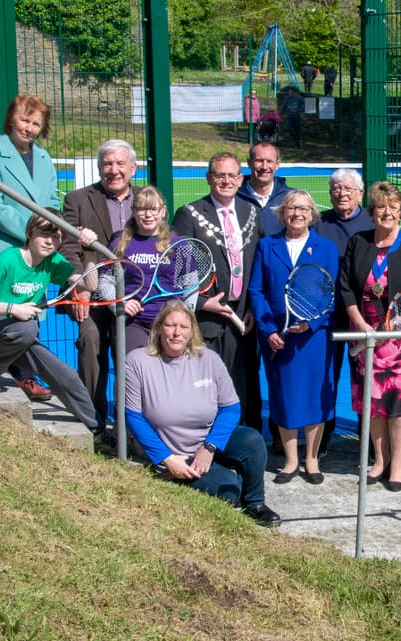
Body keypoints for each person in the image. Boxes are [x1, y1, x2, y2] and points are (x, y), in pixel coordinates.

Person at [125, 301, 282, 527]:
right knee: (229, 492)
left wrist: (209, 447)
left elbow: (230, 407)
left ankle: (255, 503)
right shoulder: (138, 361)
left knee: (252, 440)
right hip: (176, 454)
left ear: (192, 332)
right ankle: (197, 479)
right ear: (159, 328)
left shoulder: (208, 359)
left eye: (183, 327)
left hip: (205, 442)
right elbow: (133, 416)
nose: (176, 333)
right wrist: (166, 459)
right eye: (170, 325)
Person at [0, 213, 100, 435]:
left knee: (66, 376)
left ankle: (95, 429)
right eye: (44, 234)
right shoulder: (8, 259)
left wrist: (89, 250)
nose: (49, 242)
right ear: (29, 233)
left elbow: (90, 285)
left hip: (16, 335)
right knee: (29, 327)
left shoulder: (52, 262)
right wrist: (13, 309)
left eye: (56, 237)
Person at [337, 181, 401, 492]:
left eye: (393, 207)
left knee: (397, 402)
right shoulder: (358, 242)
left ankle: (398, 464)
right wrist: (360, 323)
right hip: (363, 334)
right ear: (371, 212)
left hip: (400, 338)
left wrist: (394, 326)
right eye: (380, 207)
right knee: (372, 400)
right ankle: (379, 459)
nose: (387, 213)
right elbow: (346, 287)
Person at [248, 190, 339, 485]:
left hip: (314, 339)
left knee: (315, 397)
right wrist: (268, 330)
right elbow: (257, 291)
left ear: (312, 213)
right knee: (284, 397)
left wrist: (312, 323)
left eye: (303, 208)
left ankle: (312, 460)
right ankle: (290, 461)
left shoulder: (326, 248)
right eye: (291, 208)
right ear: (282, 213)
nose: (297, 214)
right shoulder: (267, 246)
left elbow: (331, 293)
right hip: (279, 337)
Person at [0, 93, 61, 401]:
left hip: (36, 249)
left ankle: (23, 374)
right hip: (5, 243)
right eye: (25, 120)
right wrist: (30, 231)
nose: (29, 128)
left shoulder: (44, 159)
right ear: (11, 119)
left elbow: (52, 199)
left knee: (29, 312)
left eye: (36, 124)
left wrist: (47, 229)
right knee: (3, 313)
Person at [171, 152, 263, 432]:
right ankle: (206, 441)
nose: (226, 181)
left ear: (241, 179)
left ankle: (244, 439)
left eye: (232, 175)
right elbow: (179, 268)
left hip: (243, 316)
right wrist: (201, 303)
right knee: (206, 383)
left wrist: (253, 306)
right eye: (219, 175)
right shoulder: (189, 213)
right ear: (209, 178)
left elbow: (258, 262)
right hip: (206, 318)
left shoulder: (251, 212)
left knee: (243, 383)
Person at [61, 139, 139, 434]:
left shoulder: (146, 199)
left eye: (120, 163)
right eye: (107, 164)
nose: (113, 170)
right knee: (91, 341)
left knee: (130, 353)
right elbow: (68, 249)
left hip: (132, 294)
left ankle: (127, 425)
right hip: (91, 293)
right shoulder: (78, 199)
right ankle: (93, 421)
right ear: (98, 168)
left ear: (133, 168)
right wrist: (79, 285)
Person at [314, 169, 375, 454]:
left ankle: (369, 441)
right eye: (337, 189)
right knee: (325, 377)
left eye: (348, 189)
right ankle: (321, 440)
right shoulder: (318, 223)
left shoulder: (372, 223)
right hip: (326, 316)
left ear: (361, 193)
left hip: (364, 318)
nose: (342, 194)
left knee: (365, 378)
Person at [110, 186, 183, 350]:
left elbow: (189, 284)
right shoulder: (119, 244)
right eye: (142, 209)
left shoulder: (178, 245)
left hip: (170, 323)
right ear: (134, 212)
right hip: (134, 322)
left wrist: (184, 313)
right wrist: (121, 303)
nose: (148, 215)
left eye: (154, 209)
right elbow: (106, 282)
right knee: (134, 363)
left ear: (163, 211)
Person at [236, 142, 291, 237]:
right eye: (259, 161)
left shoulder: (290, 197)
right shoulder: (233, 197)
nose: (264, 167)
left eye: (269, 161)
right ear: (249, 163)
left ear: (277, 164)